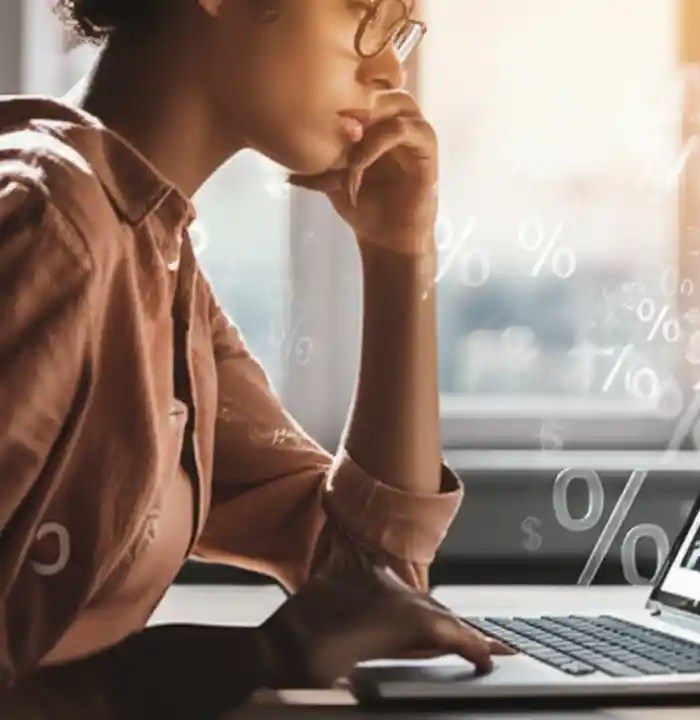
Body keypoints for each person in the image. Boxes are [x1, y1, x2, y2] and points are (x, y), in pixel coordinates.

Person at [0, 0, 514, 717]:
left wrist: (400, 251)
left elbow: (374, 583)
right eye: (364, 11)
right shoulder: (50, 229)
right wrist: (267, 655)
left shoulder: (156, 261)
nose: (390, 67)